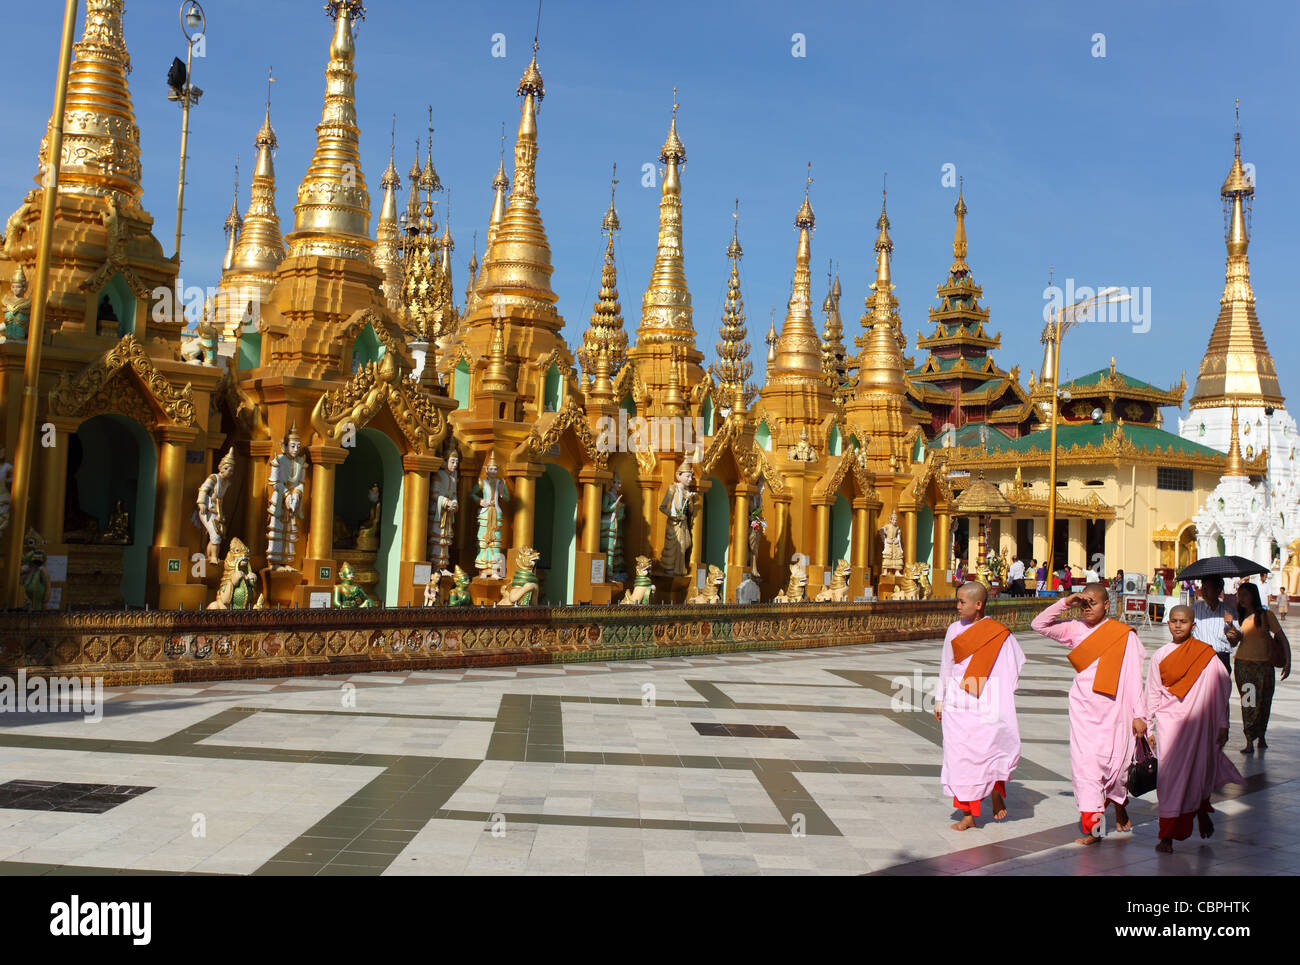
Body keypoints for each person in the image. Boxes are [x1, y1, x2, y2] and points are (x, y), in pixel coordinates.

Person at [1031, 583, 1147, 845]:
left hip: (1117, 711)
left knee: (1118, 768)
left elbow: (1133, 678)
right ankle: (1093, 830)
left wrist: (1139, 714)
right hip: (1084, 711)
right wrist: (1066, 602)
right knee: (1087, 768)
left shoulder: (1124, 635)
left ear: (1107, 605)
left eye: (1092, 602)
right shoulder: (1075, 629)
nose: (1086, 608)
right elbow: (1039, 625)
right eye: (1083, 603)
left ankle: (1119, 803)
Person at [1146, 604, 1243, 853]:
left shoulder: (1206, 655)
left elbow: (1221, 689)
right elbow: (1152, 693)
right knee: (1168, 779)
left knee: (1198, 773)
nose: (1177, 625)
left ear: (1193, 625)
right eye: (1173, 621)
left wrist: (1222, 723)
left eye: (1183, 621)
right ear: (1167, 623)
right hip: (1169, 725)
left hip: (1199, 725)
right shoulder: (1160, 655)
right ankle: (1166, 835)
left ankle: (1201, 809)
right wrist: (1147, 726)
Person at [935, 581, 1025, 830]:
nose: (957, 606)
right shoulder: (954, 630)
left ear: (978, 604)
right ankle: (968, 813)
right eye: (957, 601)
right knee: (960, 756)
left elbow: (1012, 666)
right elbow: (946, 665)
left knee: (988, 750)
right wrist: (939, 699)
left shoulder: (998, 632)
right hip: (958, 702)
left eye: (962, 602)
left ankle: (995, 790)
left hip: (986, 702)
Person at [1232, 581, 1292, 754]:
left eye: (1245, 594)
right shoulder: (1239, 618)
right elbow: (1234, 642)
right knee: (1248, 703)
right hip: (1243, 666)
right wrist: (1232, 632)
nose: (1241, 598)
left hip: (1264, 667)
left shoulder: (1266, 615)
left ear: (1253, 596)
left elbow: (1282, 639)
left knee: (1264, 702)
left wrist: (1288, 662)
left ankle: (1262, 735)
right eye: (1239, 595)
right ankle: (1249, 739)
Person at [1192, 576, 1240, 676]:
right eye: (1203, 588)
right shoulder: (1193, 610)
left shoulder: (1229, 611)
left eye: (1207, 588)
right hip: (1200, 657)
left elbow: (1236, 640)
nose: (1203, 591)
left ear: (1218, 590)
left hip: (1221, 658)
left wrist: (1231, 626)